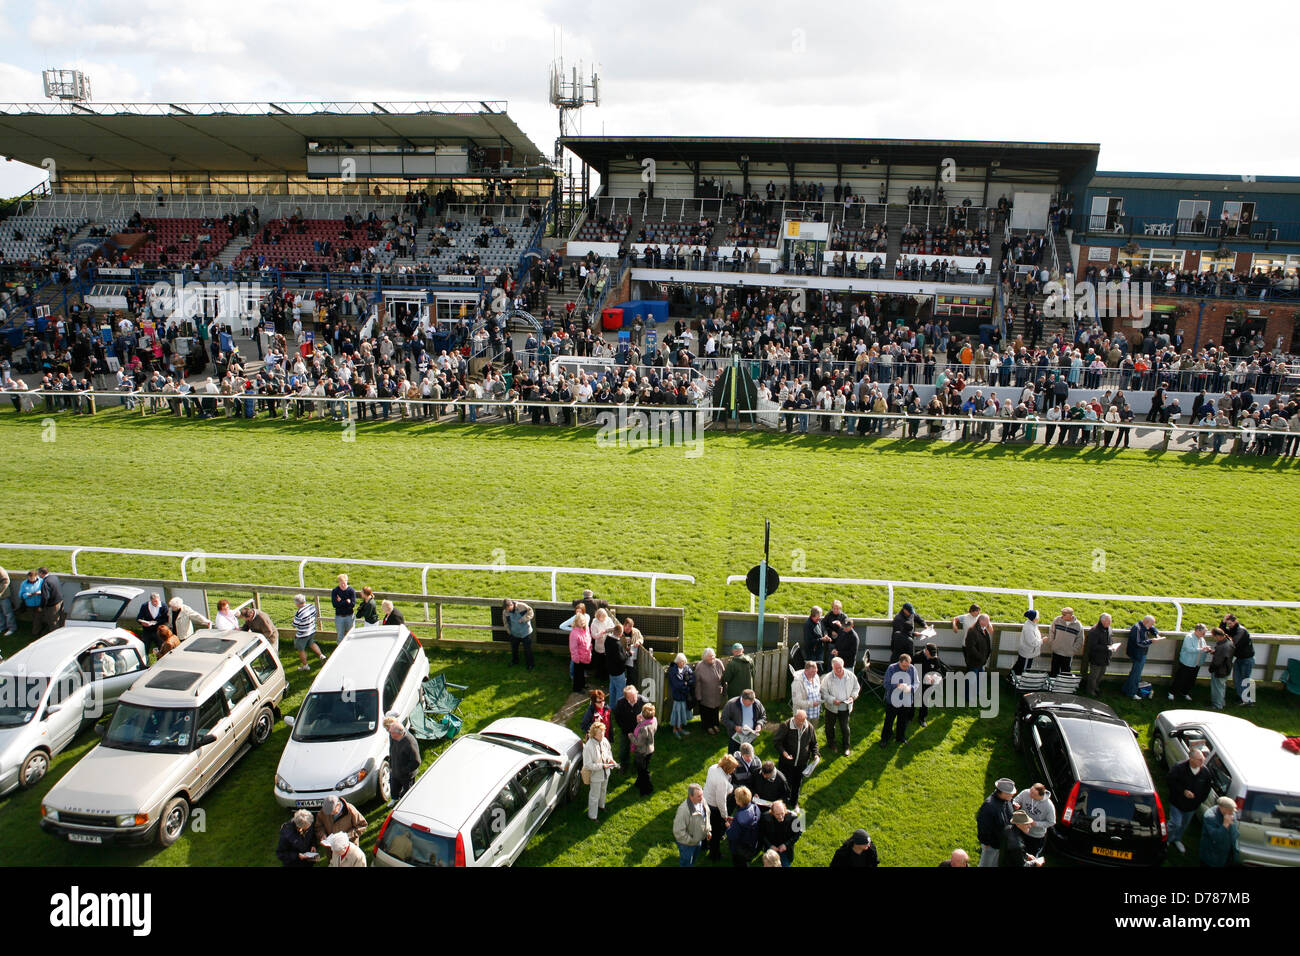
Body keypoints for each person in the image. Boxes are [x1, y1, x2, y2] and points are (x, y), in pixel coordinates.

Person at [1167, 748, 1213, 854]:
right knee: (1176, 823)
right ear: (1191, 759)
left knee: (1184, 825)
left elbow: (1207, 788)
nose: (1202, 762)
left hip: (1192, 806)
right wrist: (1183, 791)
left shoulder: (1205, 772)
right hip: (1177, 803)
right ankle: (1167, 839)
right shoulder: (1179, 768)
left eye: (1202, 759)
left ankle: (1177, 839)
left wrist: (1199, 801)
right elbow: (1170, 781)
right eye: (1199, 759)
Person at [773, 709, 819, 809]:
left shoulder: (809, 727)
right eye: (799, 720)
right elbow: (777, 742)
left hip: (802, 763)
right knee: (785, 783)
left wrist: (815, 754)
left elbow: (814, 743)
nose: (801, 723)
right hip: (786, 763)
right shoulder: (785, 726)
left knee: (797, 784)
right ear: (794, 717)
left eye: (803, 721)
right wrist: (784, 752)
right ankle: (783, 803)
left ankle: (794, 803)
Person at [821, 655, 861, 755]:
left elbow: (856, 688)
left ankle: (846, 746)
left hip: (845, 707)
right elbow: (823, 692)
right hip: (831, 707)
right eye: (836, 668)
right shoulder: (827, 678)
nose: (838, 670)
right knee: (829, 727)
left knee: (845, 727)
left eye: (840, 667)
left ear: (843, 666)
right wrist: (833, 700)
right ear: (832, 667)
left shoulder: (850, 675)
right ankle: (831, 744)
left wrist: (853, 697)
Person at [704, 755, 737, 861]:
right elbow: (721, 801)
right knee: (716, 833)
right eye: (733, 768)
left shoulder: (713, 767)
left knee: (706, 826)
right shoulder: (722, 781)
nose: (734, 770)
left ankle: (703, 845)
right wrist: (725, 816)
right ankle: (714, 854)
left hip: (706, 802)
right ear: (728, 768)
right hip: (714, 807)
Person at [976, 778, 1017, 867]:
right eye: (1011, 793)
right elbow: (983, 826)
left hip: (1002, 843)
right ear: (1003, 793)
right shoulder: (989, 806)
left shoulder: (1007, 800)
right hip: (991, 845)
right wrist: (986, 843)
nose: (1013, 795)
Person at [881, 653, 919, 746]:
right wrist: (897, 686)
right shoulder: (892, 668)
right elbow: (886, 684)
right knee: (889, 721)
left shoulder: (912, 668)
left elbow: (916, 683)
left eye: (908, 666)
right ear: (899, 662)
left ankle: (900, 737)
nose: (906, 668)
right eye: (904, 666)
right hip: (892, 701)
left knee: (903, 720)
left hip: (906, 701)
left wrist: (911, 688)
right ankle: (885, 738)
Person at [582, 719, 616, 820]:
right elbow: (588, 765)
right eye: (600, 733)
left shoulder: (604, 740)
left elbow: (609, 752)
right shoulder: (588, 747)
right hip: (595, 776)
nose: (603, 734)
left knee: (603, 790)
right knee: (594, 796)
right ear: (594, 734)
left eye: (603, 732)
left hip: (606, 773)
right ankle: (592, 816)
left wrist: (610, 760)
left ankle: (601, 806)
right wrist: (602, 766)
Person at [1012, 782, 1056, 856]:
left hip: (1035, 836)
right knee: (1016, 851)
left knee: (1030, 855)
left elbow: (1051, 822)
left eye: (1033, 794)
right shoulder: (1026, 792)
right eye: (1030, 791)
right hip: (1020, 828)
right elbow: (1015, 800)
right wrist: (1014, 804)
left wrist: (1035, 823)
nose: (1030, 794)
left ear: (1040, 796)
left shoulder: (1049, 806)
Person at [672, 783, 711, 866]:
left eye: (702, 795)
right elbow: (678, 832)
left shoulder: (702, 801)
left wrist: (707, 830)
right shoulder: (683, 811)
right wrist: (691, 841)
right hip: (687, 844)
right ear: (691, 797)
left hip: (698, 839)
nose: (702, 798)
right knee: (686, 863)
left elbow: (706, 815)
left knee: (692, 861)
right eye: (699, 796)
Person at [1122, 615, 1159, 699]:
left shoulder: (1144, 625)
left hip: (1141, 653)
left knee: (1134, 673)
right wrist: (1152, 641)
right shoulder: (1137, 629)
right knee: (1136, 675)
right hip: (1137, 654)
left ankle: (1125, 689)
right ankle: (1131, 693)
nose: (1151, 626)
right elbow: (1139, 643)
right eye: (1151, 624)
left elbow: (1152, 628)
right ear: (1146, 622)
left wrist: (1156, 633)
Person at [385, 715, 420, 801]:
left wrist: (403, 770)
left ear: (398, 733)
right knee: (394, 787)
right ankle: (395, 799)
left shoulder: (410, 744)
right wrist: (391, 764)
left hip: (406, 776)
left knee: (408, 794)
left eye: (392, 733)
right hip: (395, 770)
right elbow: (392, 749)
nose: (390, 735)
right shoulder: (393, 736)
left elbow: (416, 761)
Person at [1170, 624, 1211, 700]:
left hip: (1197, 664)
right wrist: (1202, 649)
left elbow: (1202, 648)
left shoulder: (1201, 638)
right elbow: (1189, 649)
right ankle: (1172, 692)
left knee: (1191, 680)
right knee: (1180, 678)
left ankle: (1184, 692)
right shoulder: (1189, 637)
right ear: (1197, 630)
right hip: (1187, 663)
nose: (1204, 634)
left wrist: (1207, 649)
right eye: (1203, 632)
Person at [613, 684, 647, 772]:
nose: (634, 699)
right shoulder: (620, 703)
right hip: (626, 731)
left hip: (639, 731)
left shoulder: (643, 701)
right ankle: (624, 765)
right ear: (626, 697)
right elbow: (617, 717)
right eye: (631, 697)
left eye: (635, 695)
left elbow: (649, 715)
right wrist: (624, 728)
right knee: (624, 749)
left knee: (640, 749)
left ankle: (638, 764)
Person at [1222, 614, 1255, 705]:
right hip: (1241, 658)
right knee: (1237, 679)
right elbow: (1223, 632)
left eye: (1230, 624)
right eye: (1227, 624)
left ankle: (1248, 701)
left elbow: (1233, 643)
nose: (1229, 626)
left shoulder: (1241, 631)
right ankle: (1242, 698)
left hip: (1246, 659)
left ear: (1235, 621)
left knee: (1245, 680)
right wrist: (1223, 622)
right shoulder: (1235, 629)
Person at [1199, 796, 1240, 867]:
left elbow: (1234, 833)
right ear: (1222, 808)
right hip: (1212, 857)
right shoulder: (1210, 817)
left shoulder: (1231, 814)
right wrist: (1225, 825)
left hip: (1227, 856)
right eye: (1230, 811)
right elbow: (1216, 838)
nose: (1233, 813)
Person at [726, 786, 761, 867]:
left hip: (740, 847)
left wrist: (728, 826)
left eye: (735, 797)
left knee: (739, 863)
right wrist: (734, 820)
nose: (734, 797)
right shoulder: (755, 807)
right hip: (752, 842)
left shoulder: (740, 817)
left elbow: (733, 835)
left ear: (739, 801)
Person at [759, 800, 801, 866]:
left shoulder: (793, 818)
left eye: (782, 813)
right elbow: (761, 834)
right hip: (771, 848)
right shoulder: (765, 817)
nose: (781, 817)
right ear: (772, 812)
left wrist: (786, 845)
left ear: (785, 810)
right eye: (777, 814)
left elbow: (797, 833)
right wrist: (770, 845)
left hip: (785, 850)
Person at [694, 647, 726, 735]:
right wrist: (698, 696)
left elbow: (724, 677)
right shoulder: (700, 666)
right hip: (705, 694)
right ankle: (707, 726)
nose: (712, 658)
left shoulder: (718, 662)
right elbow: (697, 682)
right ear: (704, 657)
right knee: (706, 711)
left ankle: (715, 724)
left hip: (716, 693)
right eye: (709, 657)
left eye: (713, 656)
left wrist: (724, 690)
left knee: (715, 710)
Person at [291, 593, 326, 671]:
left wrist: (293, 620)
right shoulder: (311, 606)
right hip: (312, 630)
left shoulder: (299, 613)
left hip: (302, 635)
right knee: (311, 643)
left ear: (297, 603)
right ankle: (321, 656)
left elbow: (294, 624)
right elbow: (315, 614)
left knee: (301, 650)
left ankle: (305, 666)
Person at [915, 642, 947, 728]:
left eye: (934, 655)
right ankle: (909, 716)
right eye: (931, 654)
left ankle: (922, 718)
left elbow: (938, 669)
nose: (933, 657)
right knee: (913, 699)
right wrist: (925, 676)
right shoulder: (917, 657)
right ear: (926, 651)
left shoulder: (935, 658)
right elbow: (914, 671)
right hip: (917, 682)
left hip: (928, 683)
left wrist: (935, 676)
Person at [1046, 607, 1084, 677]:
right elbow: (1051, 631)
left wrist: (1073, 650)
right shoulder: (1057, 620)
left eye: (1064, 614)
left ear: (1070, 615)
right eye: (1062, 614)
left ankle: (1063, 687)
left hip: (1068, 654)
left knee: (1065, 674)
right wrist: (1052, 643)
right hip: (1056, 651)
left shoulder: (1078, 625)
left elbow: (1080, 640)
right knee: (1054, 672)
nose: (1062, 616)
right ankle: (1053, 687)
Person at [1083, 613, 1114, 696]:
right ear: (1102, 620)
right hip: (1096, 658)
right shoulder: (1094, 631)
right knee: (1093, 676)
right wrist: (1107, 647)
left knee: (1100, 674)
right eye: (1108, 621)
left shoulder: (1109, 628)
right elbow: (1093, 646)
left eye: (1110, 620)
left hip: (1105, 657)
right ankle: (1090, 691)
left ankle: (1096, 687)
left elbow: (1110, 639)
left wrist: (1112, 646)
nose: (1109, 622)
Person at [630, 703, 657, 796]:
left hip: (642, 752)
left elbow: (638, 742)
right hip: (650, 749)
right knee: (643, 769)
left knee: (643, 771)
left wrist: (631, 736)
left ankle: (647, 789)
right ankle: (638, 783)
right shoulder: (654, 721)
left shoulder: (643, 728)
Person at [666, 653, 695, 738]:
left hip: (685, 696)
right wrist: (686, 686)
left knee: (683, 712)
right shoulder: (673, 670)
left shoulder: (687, 668)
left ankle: (680, 728)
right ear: (677, 662)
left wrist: (687, 684)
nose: (682, 663)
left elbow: (692, 679)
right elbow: (676, 685)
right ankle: (675, 729)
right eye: (680, 662)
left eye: (683, 661)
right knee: (677, 712)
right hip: (677, 696)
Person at [502, 598, 535, 670]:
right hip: (514, 634)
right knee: (514, 649)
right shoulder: (505, 611)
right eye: (506, 609)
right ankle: (515, 661)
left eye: (508, 608)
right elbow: (505, 622)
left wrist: (523, 619)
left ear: (511, 605)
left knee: (527, 650)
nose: (507, 611)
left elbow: (531, 612)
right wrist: (509, 631)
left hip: (526, 632)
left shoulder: (522, 606)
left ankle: (530, 665)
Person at [1208, 627, 1234, 710]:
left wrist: (1211, 669)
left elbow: (1217, 662)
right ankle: (1221, 703)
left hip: (1219, 671)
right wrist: (1214, 652)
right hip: (1226, 669)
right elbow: (1224, 655)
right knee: (1221, 687)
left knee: (1217, 688)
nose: (1214, 639)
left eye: (1214, 637)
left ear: (1218, 636)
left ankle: (1217, 705)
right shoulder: (1229, 642)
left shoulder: (1222, 647)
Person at [136, 592, 168, 657]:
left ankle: (160, 660)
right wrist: (142, 623)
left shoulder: (163, 606)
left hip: (158, 631)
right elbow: (139, 618)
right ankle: (145, 661)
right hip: (147, 630)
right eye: (153, 602)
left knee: (161, 646)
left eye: (156, 601)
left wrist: (156, 622)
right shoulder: (145, 606)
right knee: (145, 647)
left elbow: (166, 618)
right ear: (150, 601)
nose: (155, 603)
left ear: (159, 599)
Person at [790, 660, 822, 725]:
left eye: (816, 671)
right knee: (803, 732)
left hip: (815, 712)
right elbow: (796, 701)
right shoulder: (797, 682)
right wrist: (812, 704)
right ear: (806, 671)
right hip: (803, 714)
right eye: (812, 672)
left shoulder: (816, 677)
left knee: (812, 731)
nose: (815, 674)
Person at [34, 568, 64, 636]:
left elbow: (45, 597)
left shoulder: (45, 582)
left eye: (38, 573)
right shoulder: (54, 577)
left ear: (42, 573)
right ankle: (62, 632)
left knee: (53, 622)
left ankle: (55, 636)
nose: (38, 575)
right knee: (60, 619)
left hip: (52, 605)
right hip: (60, 601)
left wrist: (41, 607)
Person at [568, 610, 592, 692]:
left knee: (582, 672)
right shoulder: (574, 633)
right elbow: (573, 648)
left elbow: (589, 640)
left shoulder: (587, 629)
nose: (582, 622)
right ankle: (577, 688)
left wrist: (590, 649)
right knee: (578, 673)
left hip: (586, 656)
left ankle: (583, 684)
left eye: (583, 621)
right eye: (580, 621)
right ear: (576, 622)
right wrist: (576, 659)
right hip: (578, 658)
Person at [605, 624, 631, 699]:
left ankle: (612, 705)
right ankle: (618, 708)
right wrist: (628, 654)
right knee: (620, 690)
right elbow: (621, 659)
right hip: (618, 671)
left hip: (610, 669)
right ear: (620, 634)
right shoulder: (617, 644)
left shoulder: (608, 640)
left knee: (612, 688)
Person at [1014, 609, 1042, 675]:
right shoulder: (1029, 628)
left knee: (1019, 665)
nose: (1039, 618)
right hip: (1027, 653)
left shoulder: (1032, 624)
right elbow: (1032, 643)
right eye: (1038, 617)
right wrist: (1042, 641)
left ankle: (1011, 678)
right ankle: (1020, 681)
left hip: (1028, 652)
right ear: (1034, 619)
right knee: (1024, 670)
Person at [330, 573, 357, 641]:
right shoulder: (335, 591)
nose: (342, 585)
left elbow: (353, 604)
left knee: (351, 634)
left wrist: (340, 601)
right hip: (339, 616)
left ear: (347, 581)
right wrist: (346, 602)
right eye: (341, 583)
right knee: (340, 635)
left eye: (344, 583)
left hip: (349, 616)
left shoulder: (351, 590)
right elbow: (334, 605)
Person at [0, 566, 16, 637]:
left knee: (8, 613)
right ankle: (2, 626)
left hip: (4, 596)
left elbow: (6, 581)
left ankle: (12, 628)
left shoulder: (0, 570)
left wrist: (0, 592)